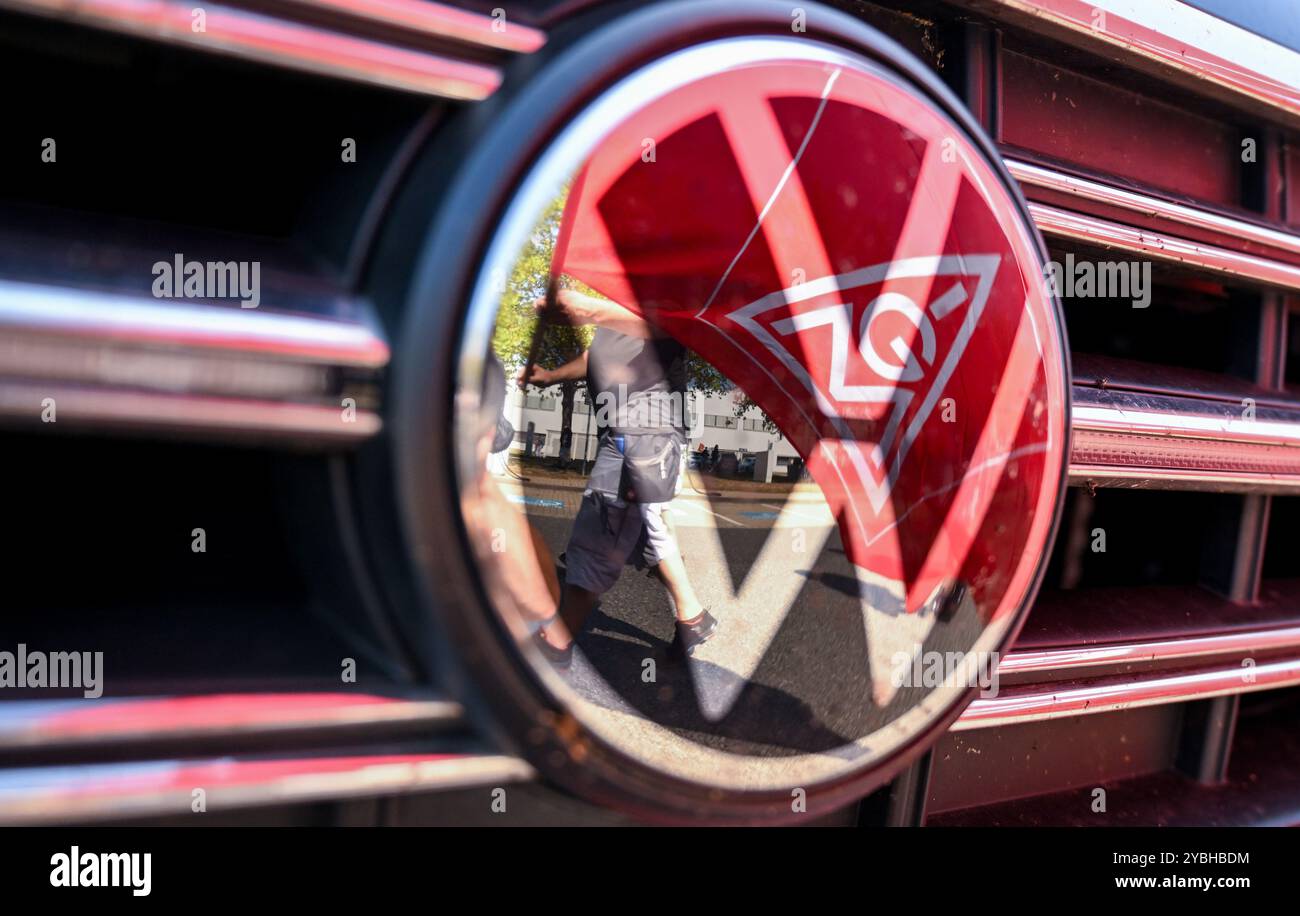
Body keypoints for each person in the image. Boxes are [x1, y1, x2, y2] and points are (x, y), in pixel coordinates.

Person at [519, 287, 717, 667]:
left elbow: (665, 325)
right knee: (646, 536)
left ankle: (554, 649)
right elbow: (597, 356)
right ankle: (691, 616)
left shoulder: (660, 295)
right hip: (622, 433)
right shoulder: (613, 308)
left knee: (598, 537)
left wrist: (591, 310)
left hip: (644, 434)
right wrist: (552, 376)